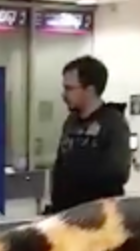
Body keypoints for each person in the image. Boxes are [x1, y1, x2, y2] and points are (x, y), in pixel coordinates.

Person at [49, 55, 132, 213]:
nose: (64, 95)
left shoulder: (113, 123)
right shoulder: (71, 122)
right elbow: (60, 166)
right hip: (66, 214)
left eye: (69, 88)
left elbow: (117, 173)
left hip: (99, 217)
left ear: (89, 90)